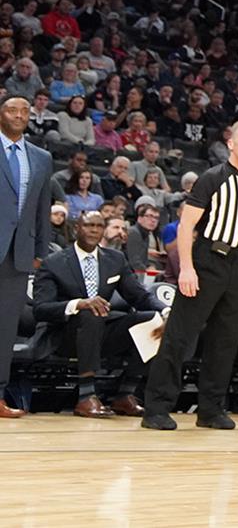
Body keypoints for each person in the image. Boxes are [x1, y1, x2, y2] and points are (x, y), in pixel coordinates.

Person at [141, 119, 238, 430]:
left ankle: (211, 409)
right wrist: (187, 267)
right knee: (180, 334)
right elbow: (187, 226)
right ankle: (156, 408)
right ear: (231, 142)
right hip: (208, 258)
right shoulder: (211, 178)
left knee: (225, 339)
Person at [31, 208, 159, 416]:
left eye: (99, 226)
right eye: (89, 225)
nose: (94, 230)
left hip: (103, 331)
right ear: (76, 229)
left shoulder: (115, 259)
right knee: (90, 312)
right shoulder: (53, 263)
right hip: (66, 335)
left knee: (153, 320)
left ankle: (125, 394)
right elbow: (41, 309)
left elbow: (139, 296)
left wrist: (167, 310)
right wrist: (79, 303)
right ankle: (86, 396)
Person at [0, 94, 55, 417]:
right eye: (12, 109)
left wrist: (40, 252)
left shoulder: (41, 157)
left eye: (24, 110)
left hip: (18, 254)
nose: (19, 114)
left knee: (5, 328)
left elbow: (42, 207)